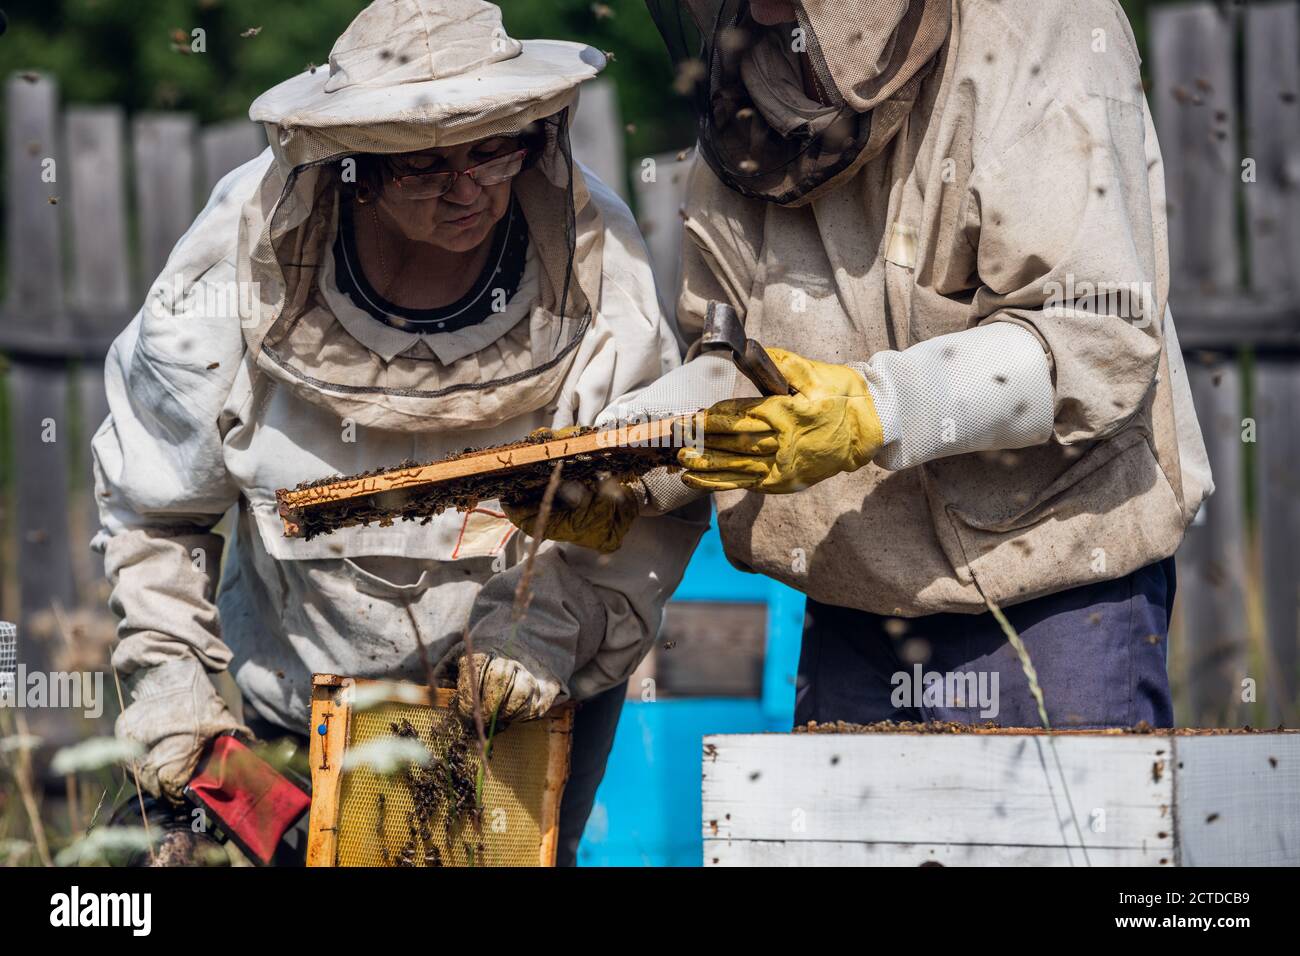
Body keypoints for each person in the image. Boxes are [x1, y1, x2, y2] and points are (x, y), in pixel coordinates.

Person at [92, 0, 706, 865]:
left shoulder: (597, 254)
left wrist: (543, 629)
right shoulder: (233, 255)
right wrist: (168, 676)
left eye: (494, 148)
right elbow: (154, 507)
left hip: (518, 707)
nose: (469, 188)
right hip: (291, 705)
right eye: (424, 164)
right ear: (356, 168)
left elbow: (644, 486)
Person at [619, 0, 1213, 728]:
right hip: (852, 604)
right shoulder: (751, 68)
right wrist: (625, 461)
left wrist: (878, 409)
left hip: (1055, 593)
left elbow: (1095, 333)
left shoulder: (1041, 26)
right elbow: (728, 357)